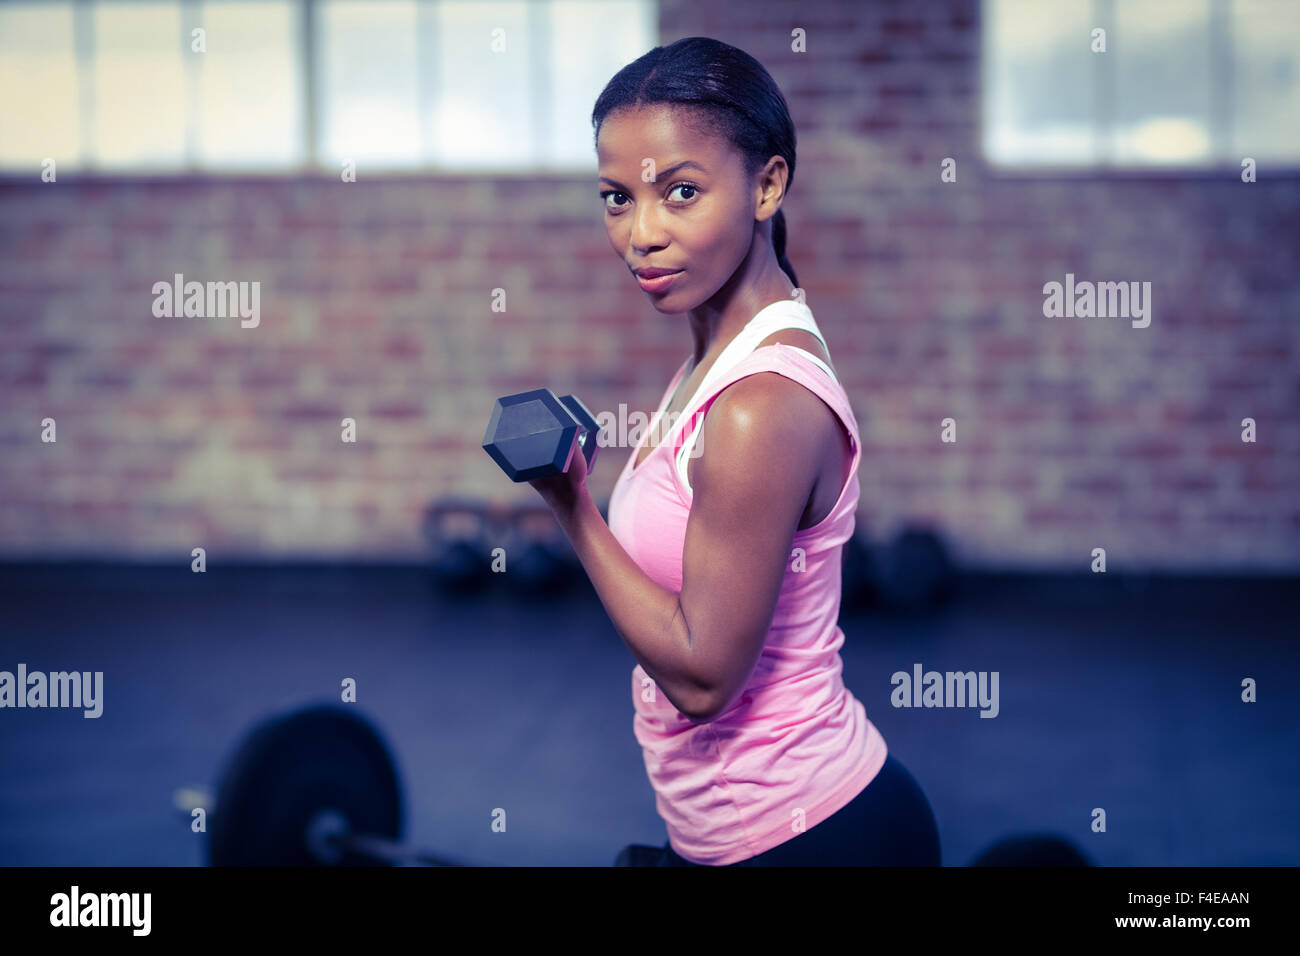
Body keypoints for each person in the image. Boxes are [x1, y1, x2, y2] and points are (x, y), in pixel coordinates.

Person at [527, 37, 941, 867]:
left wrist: (571, 505)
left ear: (767, 184)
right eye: (616, 198)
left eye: (681, 193)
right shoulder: (720, 355)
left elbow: (704, 679)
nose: (641, 233)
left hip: (808, 834)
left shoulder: (760, 404)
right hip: (737, 830)